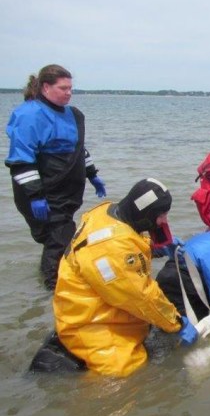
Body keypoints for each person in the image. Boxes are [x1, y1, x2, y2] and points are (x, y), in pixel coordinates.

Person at [49, 179, 197, 377]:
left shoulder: (106, 211)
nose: (163, 221)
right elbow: (143, 298)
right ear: (146, 215)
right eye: (161, 215)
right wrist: (176, 322)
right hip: (89, 321)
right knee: (125, 374)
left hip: (85, 302)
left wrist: (151, 247)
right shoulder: (114, 249)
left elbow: (119, 245)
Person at [5, 64, 107, 289]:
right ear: (45, 87)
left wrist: (92, 174)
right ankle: (52, 289)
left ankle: (51, 285)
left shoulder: (74, 115)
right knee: (59, 240)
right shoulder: (29, 115)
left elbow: (79, 149)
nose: (69, 92)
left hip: (67, 193)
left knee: (58, 241)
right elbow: (21, 162)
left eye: (71, 88)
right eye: (63, 88)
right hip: (42, 192)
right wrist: (35, 196)